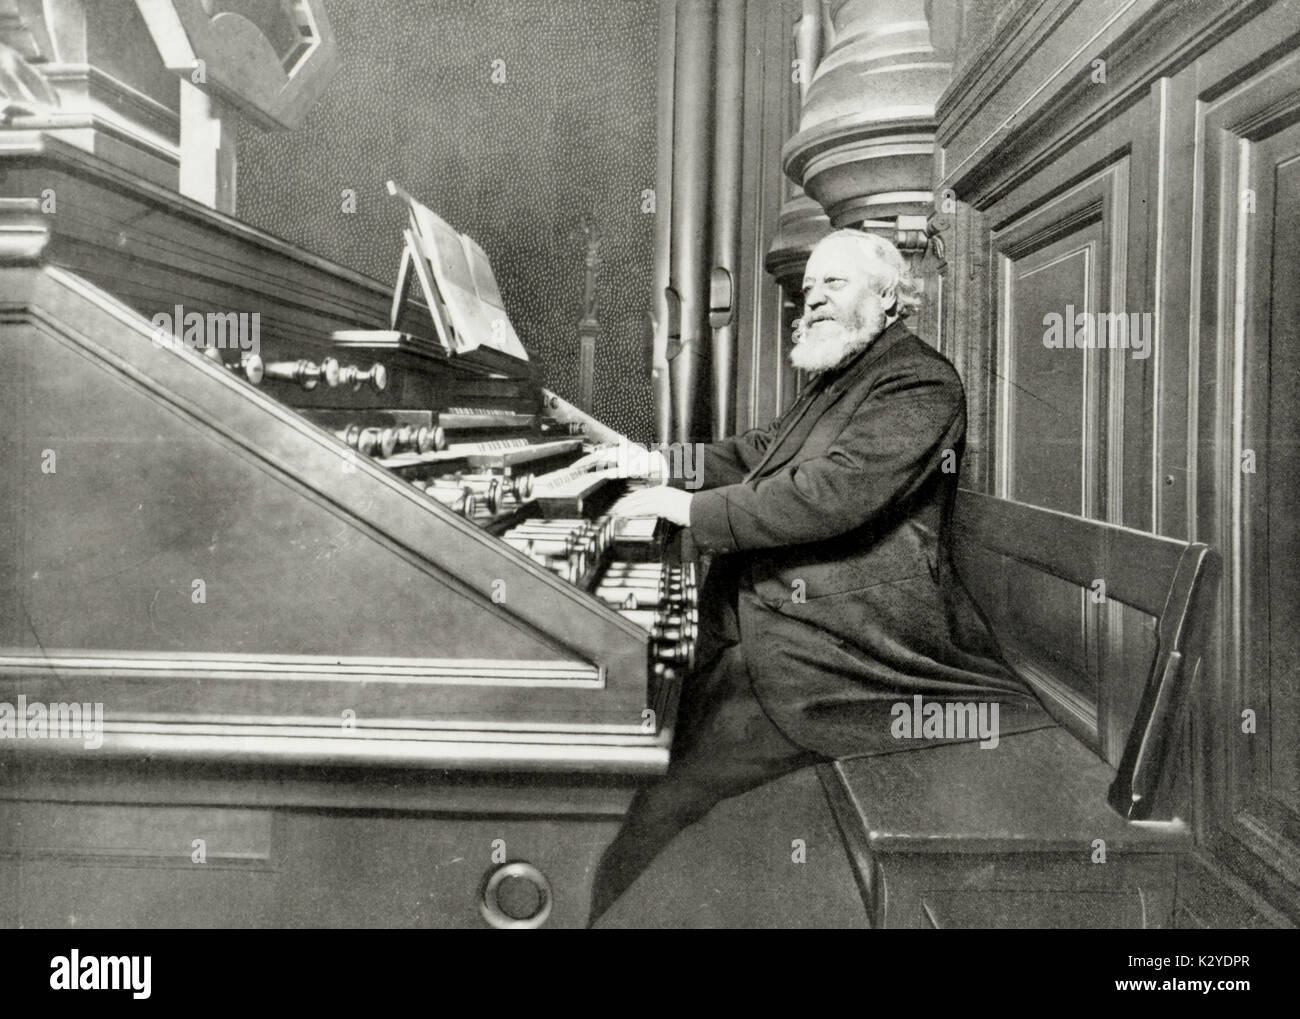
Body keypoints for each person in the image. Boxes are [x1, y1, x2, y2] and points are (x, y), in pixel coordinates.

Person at [579, 230, 1052, 925]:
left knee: (657, 796)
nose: (814, 298)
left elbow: (832, 493)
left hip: (846, 649)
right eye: (809, 288)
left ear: (890, 297)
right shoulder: (842, 377)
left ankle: (579, 906)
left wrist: (684, 507)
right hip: (779, 620)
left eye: (836, 283)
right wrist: (654, 463)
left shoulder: (918, 380)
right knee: (642, 741)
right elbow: (759, 455)